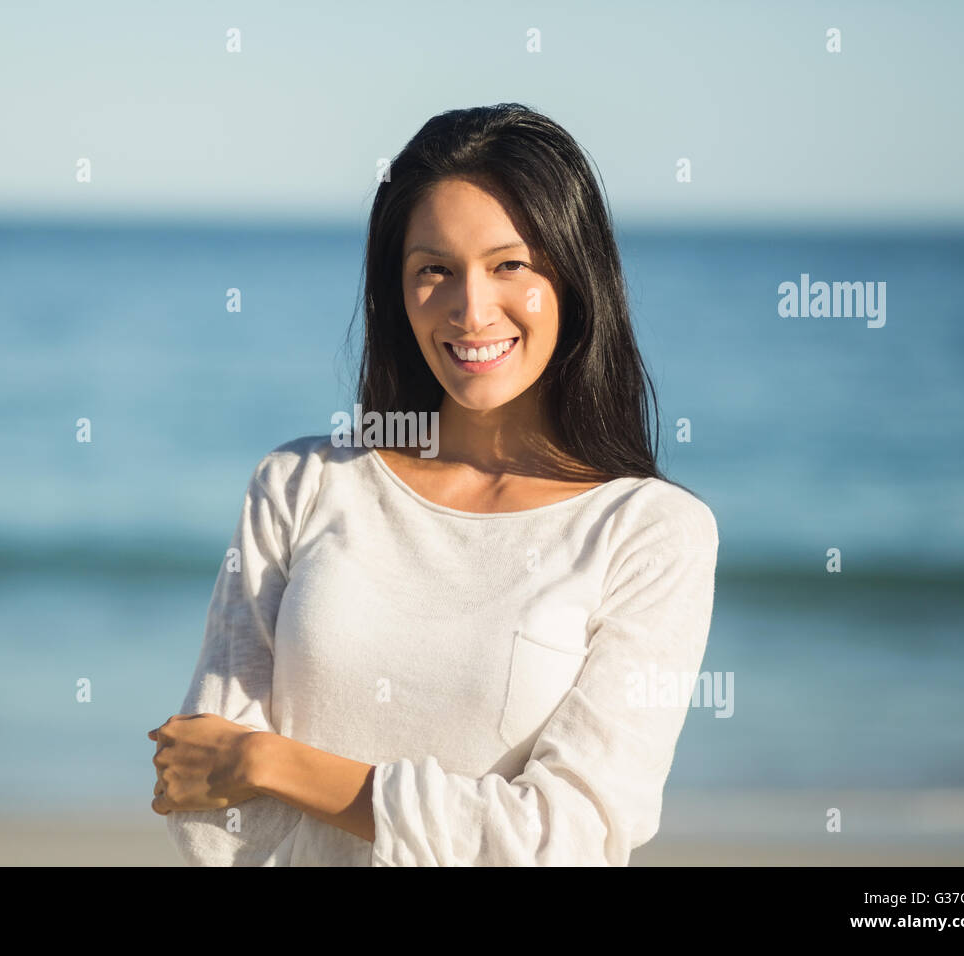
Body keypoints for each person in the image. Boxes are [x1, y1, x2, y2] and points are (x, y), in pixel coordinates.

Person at [147, 102, 719, 866]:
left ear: (574, 275)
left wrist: (271, 762)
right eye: (435, 270)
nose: (472, 309)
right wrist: (455, 823)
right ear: (399, 290)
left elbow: (565, 841)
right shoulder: (299, 485)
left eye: (509, 264)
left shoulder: (650, 534)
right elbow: (203, 817)